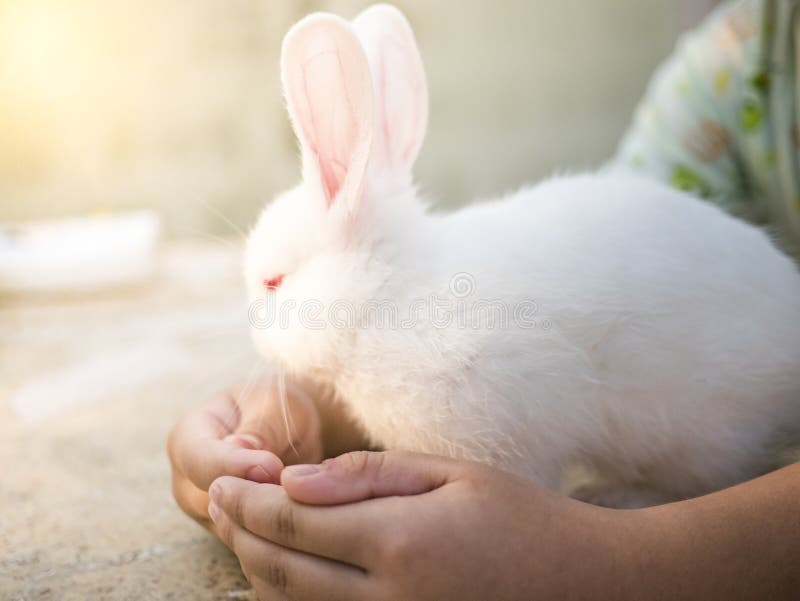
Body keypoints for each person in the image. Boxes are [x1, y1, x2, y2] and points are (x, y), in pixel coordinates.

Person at [168, 1, 800, 598]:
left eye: (275, 289)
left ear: (352, 252)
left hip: (735, 374)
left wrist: (618, 558)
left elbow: (524, 427)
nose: (261, 321)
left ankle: (685, 497)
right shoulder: (744, 58)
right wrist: (305, 411)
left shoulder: (434, 342)